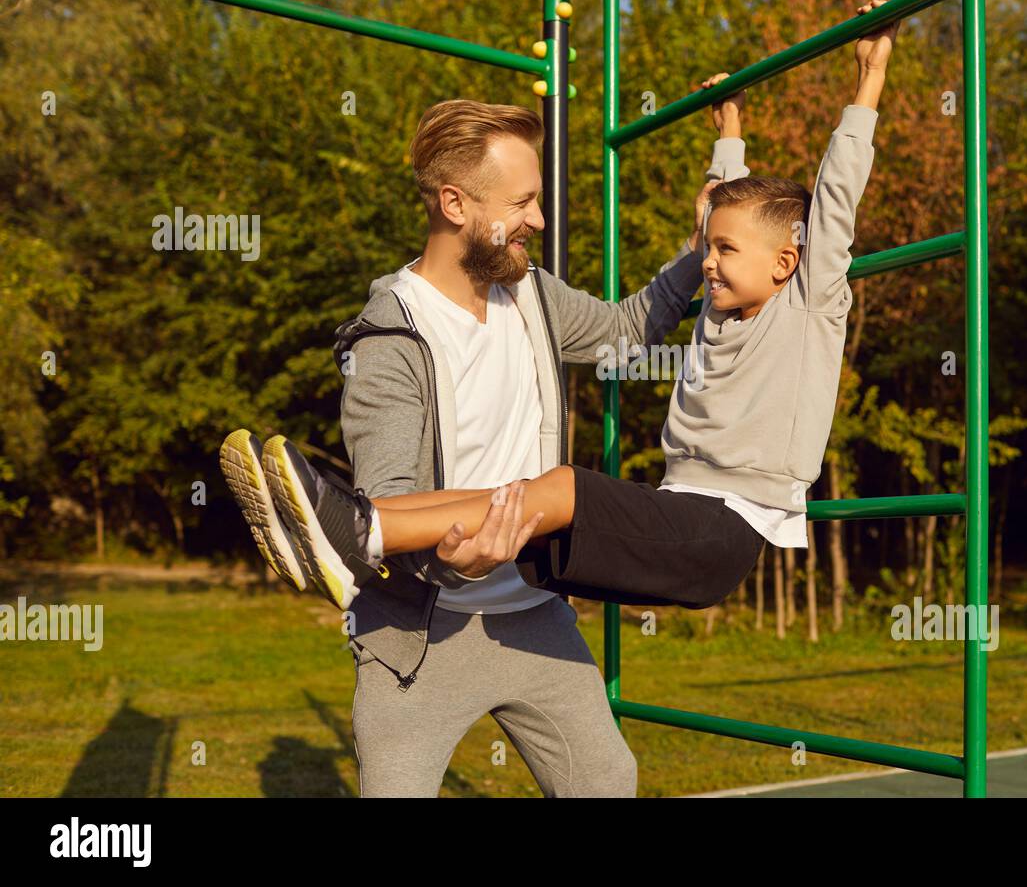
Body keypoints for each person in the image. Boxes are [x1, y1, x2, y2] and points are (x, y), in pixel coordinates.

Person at [233, 0, 899, 621]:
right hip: (679, 517)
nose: (709, 262)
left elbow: (834, 200)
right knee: (509, 501)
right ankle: (356, 522)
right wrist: (729, 128)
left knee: (560, 486)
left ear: (789, 262)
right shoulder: (719, 309)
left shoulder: (806, 305)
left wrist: (869, 75)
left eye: (726, 252)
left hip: (724, 531)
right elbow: (715, 214)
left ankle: (362, 533)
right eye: (710, 252)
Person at [219, 71, 756, 796]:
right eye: (523, 203)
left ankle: (336, 520)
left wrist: (710, 254)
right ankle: (337, 523)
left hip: (533, 616)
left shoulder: (530, 294)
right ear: (453, 204)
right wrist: (460, 562)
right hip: (420, 637)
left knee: (606, 781)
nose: (539, 220)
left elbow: (625, 332)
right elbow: (401, 500)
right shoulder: (389, 342)